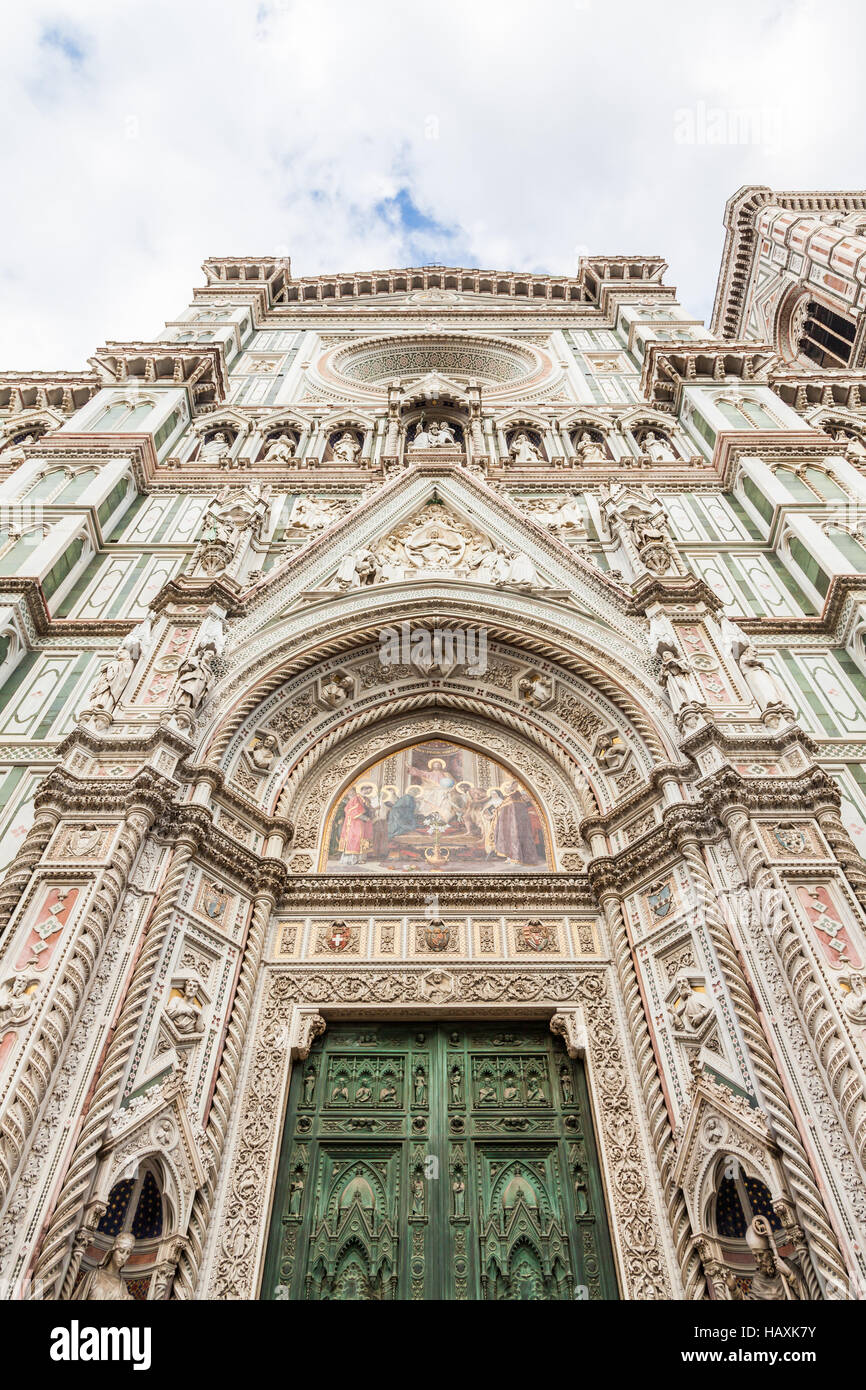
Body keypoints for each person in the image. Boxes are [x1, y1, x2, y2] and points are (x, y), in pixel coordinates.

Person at [491, 784, 539, 865]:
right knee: (510, 839)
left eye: (509, 788)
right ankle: (512, 858)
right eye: (507, 788)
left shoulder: (514, 797)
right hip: (510, 824)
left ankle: (517, 858)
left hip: (516, 824)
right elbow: (502, 810)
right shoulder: (510, 798)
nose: (507, 789)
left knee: (516, 839)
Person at [338, 790, 373, 864]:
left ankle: (359, 859)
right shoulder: (355, 799)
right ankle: (353, 859)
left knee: (358, 839)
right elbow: (356, 811)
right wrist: (365, 818)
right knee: (355, 839)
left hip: (356, 823)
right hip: (354, 823)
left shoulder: (359, 799)